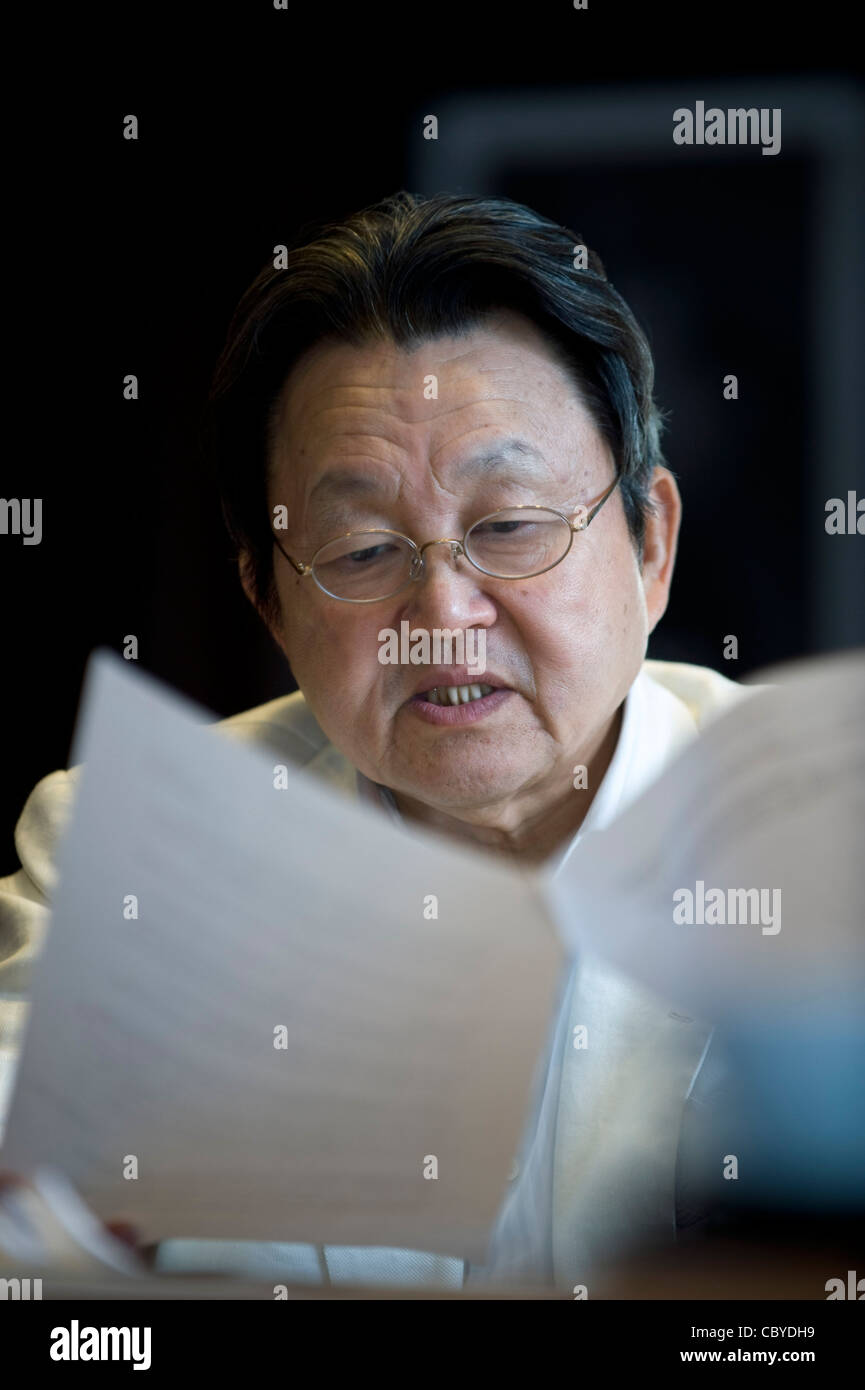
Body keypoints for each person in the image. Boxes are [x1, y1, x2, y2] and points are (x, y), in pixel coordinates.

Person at [0, 191, 755, 1292]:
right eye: (361, 549)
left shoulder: (821, 827)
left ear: (650, 544)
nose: (442, 613)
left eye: (507, 527)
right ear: (267, 597)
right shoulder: (134, 852)